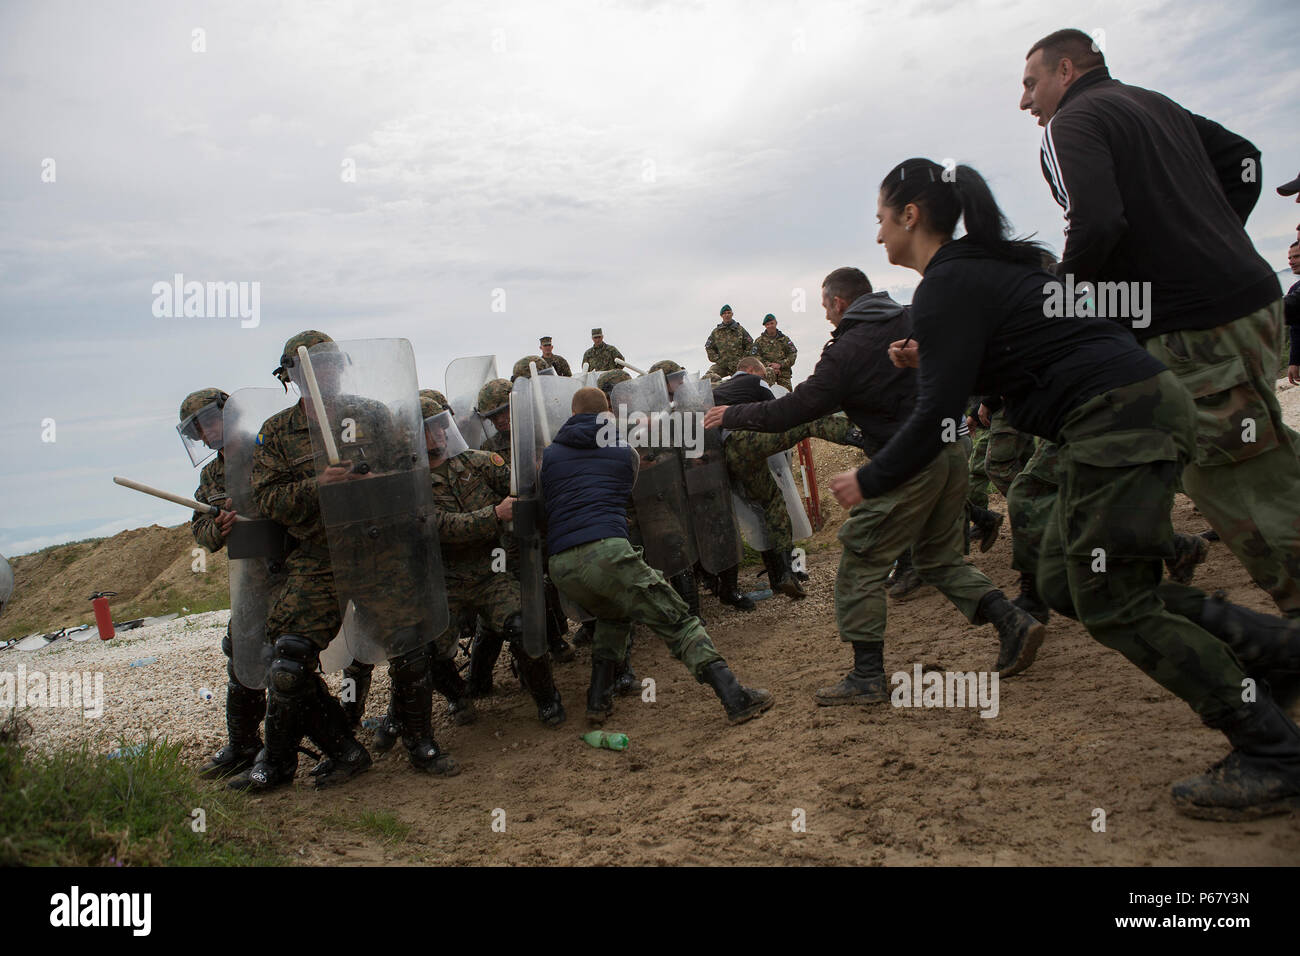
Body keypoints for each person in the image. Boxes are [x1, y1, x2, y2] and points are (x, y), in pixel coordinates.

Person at [858, 156, 1300, 820]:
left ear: (909, 214)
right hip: (1130, 407)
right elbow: (1024, 353)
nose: (877, 235)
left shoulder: (946, 285)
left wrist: (869, 477)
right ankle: (1276, 649)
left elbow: (938, 415)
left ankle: (1271, 750)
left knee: (1112, 600)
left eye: (879, 218)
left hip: (1116, 417)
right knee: (1068, 582)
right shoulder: (993, 270)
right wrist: (939, 357)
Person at [1020, 28, 1300, 619]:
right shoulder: (1155, 103)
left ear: (1065, 70)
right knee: (1264, 449)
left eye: (1030, 84)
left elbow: (1094, 224)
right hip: (1254, 302)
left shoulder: (1070, 125)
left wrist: (1064, 306)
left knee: (1233, 483)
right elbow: (1245, 159)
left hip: (1193, 327)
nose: (1026, 103)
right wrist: (1217, 238)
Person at [706, 267, 1045, 706]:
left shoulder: (846, 351)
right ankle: (1013, 622)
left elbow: (797, 408)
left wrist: (730, 415)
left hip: (908, 459)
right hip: (952, 449)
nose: (826, 317)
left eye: (826, 306)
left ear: (840, 303)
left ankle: (866, 675)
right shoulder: (913, 319)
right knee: (937, 558)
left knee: (861, 557)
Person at [541, 387, 774, 725]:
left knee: (613, 616)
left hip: (561, 564)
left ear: (572, 414)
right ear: (605, 412)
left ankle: (597, 701)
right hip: (605, 551)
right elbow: (629, 482)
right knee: (676, 619)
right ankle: (735, 697)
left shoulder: (550, 454)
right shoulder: (622, 451)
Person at [233, 331, 374, 792]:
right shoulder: (275, 432)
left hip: (381, 546)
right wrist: (320, 485)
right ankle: (295, 759)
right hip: (320, 556)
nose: (324, 373)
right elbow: (268, 498)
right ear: (291, 376)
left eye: (331, 363)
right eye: (312, 366)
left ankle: (419, 739)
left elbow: (411, 469)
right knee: (288, 662)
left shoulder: (371, 415)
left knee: (417, 644)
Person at [386, 396, 564, 730]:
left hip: (491, 571)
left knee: (524, 626)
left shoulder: (479, 463)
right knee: (426, 649)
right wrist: (495, 515)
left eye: (441, 425)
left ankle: (548, 699)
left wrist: (538, 476)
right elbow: (436, 527)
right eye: (428, 428)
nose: (438, 433)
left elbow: (523, 489)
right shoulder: (408, 484)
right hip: (443, 581)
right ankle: (457, 696)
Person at [712, 355, 865, 599]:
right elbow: (784, 413)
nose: (764, 379)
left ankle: (784, 575)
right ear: (751, 370)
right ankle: (861, 438)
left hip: (730, 457)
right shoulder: (754, 383)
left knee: (772, 503)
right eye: (762, 374)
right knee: (806, 421)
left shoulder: (718, 391)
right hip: (746, 440)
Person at [178, 387, 265, 779]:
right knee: (240, 649)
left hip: (292, 562)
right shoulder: (210, 474)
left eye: (211, 420)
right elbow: (201, 529)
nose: (208, 431)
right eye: (200, 427)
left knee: (291, 654)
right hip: (249, 572)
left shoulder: (266, 448)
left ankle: (335, 733)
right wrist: (217, 527)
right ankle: (245, 745)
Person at [704, 305, 755, 379]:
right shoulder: (716, 332)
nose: (727, 315)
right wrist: (718, 359)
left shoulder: (740, 330)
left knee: (747, 380)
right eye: (724, 313)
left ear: (732, 314)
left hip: (738, 365)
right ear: (721, 315)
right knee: (708, 377)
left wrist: (743, 360)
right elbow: (709, 347)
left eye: (729, 313)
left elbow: (750, 344)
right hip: (722, 365)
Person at [754, 314, 798, 389]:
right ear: (765, 326)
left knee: (787, 396)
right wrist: (769, 366)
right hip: (766, 374)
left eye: (772, 323)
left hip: (783, 374)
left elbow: (793, 354)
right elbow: (755, 356)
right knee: (767, 396)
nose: (770, 326)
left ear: (776, 323)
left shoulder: (785, 339)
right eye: (767, 324)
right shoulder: (759, 341)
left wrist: (780, 365)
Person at [476, 378, 513, 463]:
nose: (499, 420)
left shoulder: (540, 432)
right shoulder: (489, 448)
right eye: (493, 416)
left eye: (503, 411)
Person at [1285, 242, 1300, 385]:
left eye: (1296, 257)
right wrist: (1294, 361)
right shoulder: (1295, 288)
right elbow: (1296, 328)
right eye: (1290, 258)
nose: (1291, 262)